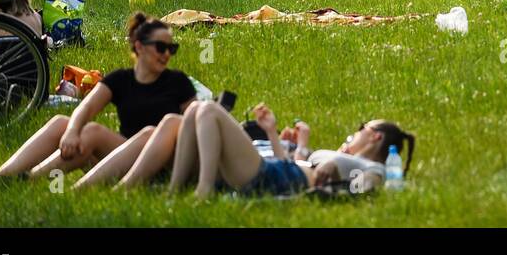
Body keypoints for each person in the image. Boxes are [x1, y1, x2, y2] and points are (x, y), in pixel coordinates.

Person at [0, 13, 195, 187]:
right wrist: (71, 132)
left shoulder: (177, 81)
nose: (167, 54)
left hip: (159, 161)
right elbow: (86, 107)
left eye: (172, 48)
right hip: (121, 155)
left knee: (92, 131)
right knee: (62, 123)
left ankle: (28, 179)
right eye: (161, 47)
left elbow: (194, 122)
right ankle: (0, 176)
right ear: (139, 47)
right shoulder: (121, 79)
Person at [167, 101, 414, 199]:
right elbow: (290, 161)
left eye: (359, 129)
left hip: (284, 177)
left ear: (374, 135)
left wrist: (340, 180)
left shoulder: (376, 166)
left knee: (208, 109)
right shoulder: (335, 155)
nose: (352, 134)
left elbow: (372, 181)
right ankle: (173, 193)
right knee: (194, 111)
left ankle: (203, 190)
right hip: (282, 169)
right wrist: (275, 133)